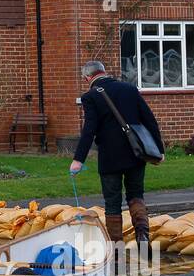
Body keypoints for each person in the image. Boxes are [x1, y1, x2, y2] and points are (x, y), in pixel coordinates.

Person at [69, 60, 164, 246]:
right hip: (136, 153)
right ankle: (143, 236)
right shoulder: (129, 89)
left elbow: (89, 130)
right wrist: (158, 150)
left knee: (112, 202)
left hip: (110, 157)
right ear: (104, 72)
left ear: (88, 77)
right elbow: (150, 120)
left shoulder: (90, 97)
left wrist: (78, 160)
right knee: (136, 195)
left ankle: (116, 247)